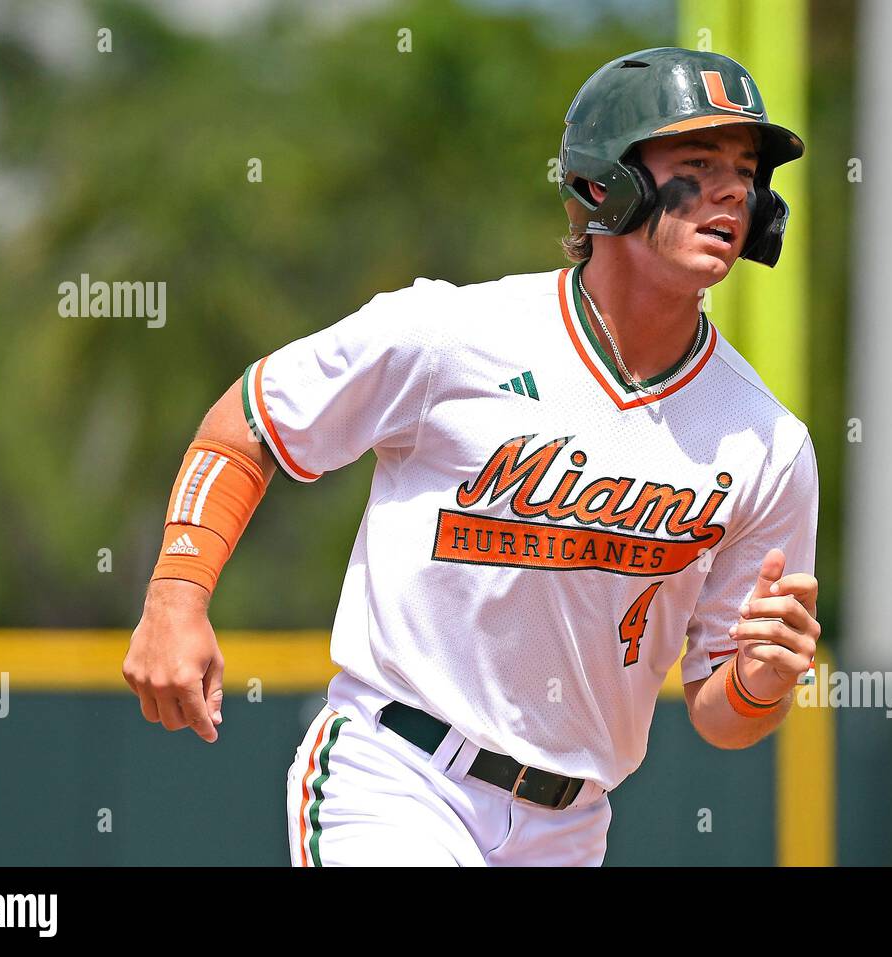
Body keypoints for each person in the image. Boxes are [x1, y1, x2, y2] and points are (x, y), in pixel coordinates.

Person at [123, 46, 820, 867]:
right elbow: (250, 421)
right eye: (697, 163)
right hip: (396, 775)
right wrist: (175, 597)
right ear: (604, 183)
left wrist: (763, 684)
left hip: (572, 822)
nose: (735, 189)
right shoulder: (452, 336)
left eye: (747, 168)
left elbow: (718, 713)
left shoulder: (766, 441)